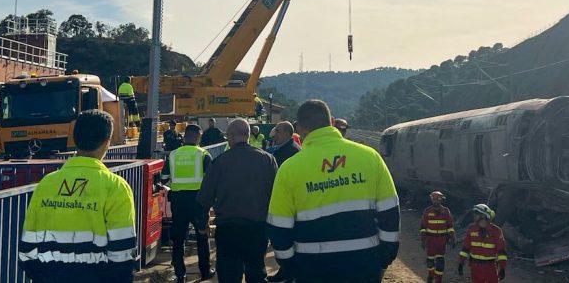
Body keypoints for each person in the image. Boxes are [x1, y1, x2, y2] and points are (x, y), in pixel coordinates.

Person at [267, 100, 400, 283]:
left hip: (312, 269)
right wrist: (383, 259)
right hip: (363, 266)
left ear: (301, 129)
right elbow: (390, 214)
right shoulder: (370, 157)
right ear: (331, 120)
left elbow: (279, 227)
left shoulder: (289, 169)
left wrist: (292, 268)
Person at [18, 110, 138, 282]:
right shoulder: (116, 187)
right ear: (107, 142)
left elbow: (26, 251)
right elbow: (123, 255)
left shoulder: (46, 184)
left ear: (74, 139)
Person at [198, 119, 277, 283]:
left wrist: (202, 224)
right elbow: (276, 195)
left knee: (229, 275)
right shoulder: (267, 160)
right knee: (256, 272)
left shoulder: (219, 162)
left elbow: (205, 197)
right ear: (248, 135)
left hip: (228, 229)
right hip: (257, 228)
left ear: (231, 136)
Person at [162, 124, 214, 283]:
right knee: (202, 236)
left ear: (184, 137)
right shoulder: (204, 154)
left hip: (178, 202)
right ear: (199, 138)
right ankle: (205, 271)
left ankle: (180, 274)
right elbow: (211, 181)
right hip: (198, 202)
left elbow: (163, 178)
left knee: (178, 239)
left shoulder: (173, 155)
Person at [458, 204, 508, 283]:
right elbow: (465, 248)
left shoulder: (496, 231)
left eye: (476, 213)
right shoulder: (471, 229)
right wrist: (461, 263)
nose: (474, 216)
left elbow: (501, 251)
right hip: (475, 266)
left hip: (490, 267)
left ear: (484, 215)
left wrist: (502, 268)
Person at [420, 191, 455, 283]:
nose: (435, 201)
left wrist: (452, 237)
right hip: (430, 240)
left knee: (440, 262)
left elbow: (450, 226)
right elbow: (423, 227)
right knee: (430, 261)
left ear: (441, 200)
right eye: (434, 199)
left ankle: (438, 280)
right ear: (432, 200)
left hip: (441, 240)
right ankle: (431, 275)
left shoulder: (446, 211)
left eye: (437, 199)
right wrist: (423, 240)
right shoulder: (427, 211)